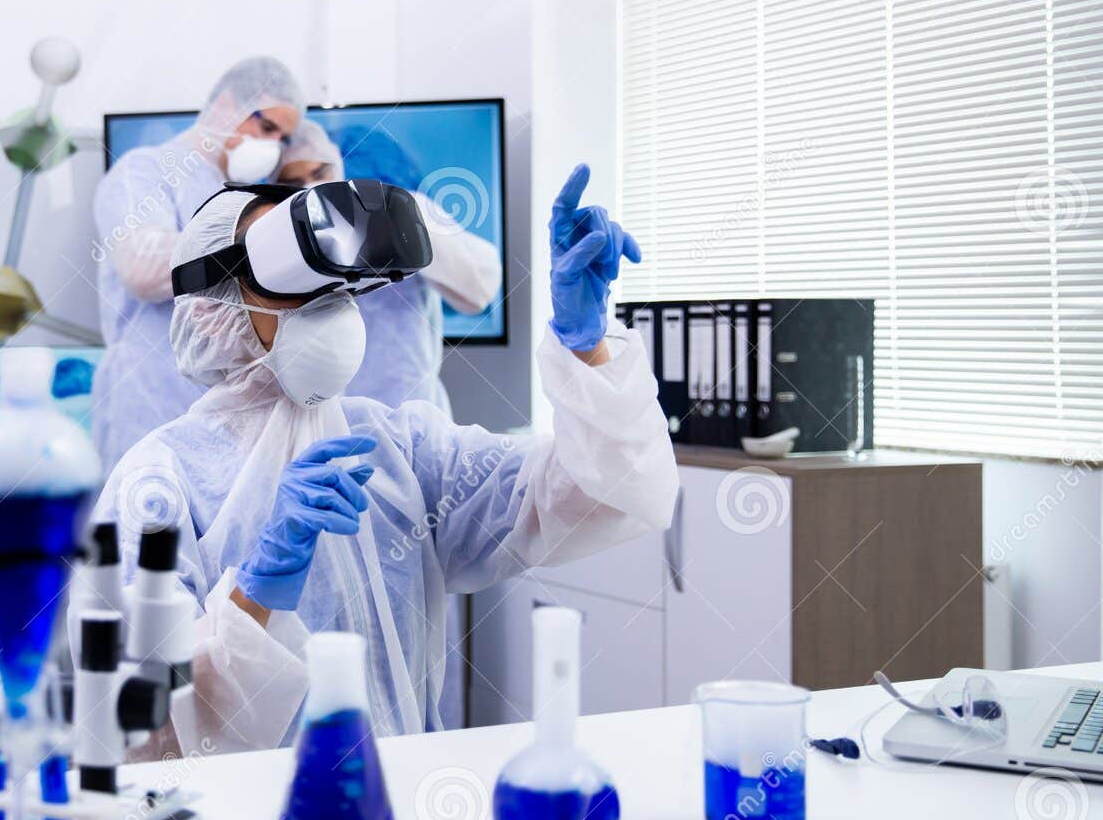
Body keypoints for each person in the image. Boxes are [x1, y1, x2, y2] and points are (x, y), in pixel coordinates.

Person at [94, 164, 677, 756]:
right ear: (210, 311)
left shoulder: (397, 446)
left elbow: (602, 495)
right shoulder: (155, 483)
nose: (328, 308)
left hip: (400, 811)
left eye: (336, 288)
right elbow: (139, 736)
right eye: (293, 286)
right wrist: (258, 592)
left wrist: (587, 345)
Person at [91, 57, 304, 472]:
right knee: (151, 528)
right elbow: (143, 268)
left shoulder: (241, 195)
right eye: (266, 127)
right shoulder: (142, 171)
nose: (274, 146)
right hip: (150, 407)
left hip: (229, 422)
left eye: (284, 138)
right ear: (227, 105)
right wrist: (258, 240)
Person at [278, 121, 501, 413]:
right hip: (325, 423)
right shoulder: (281, 241)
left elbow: (478, 290)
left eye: (320, 173)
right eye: (295, 183)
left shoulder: (405, 210)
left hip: (412, 416)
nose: (312, 187)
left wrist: (400, 221)